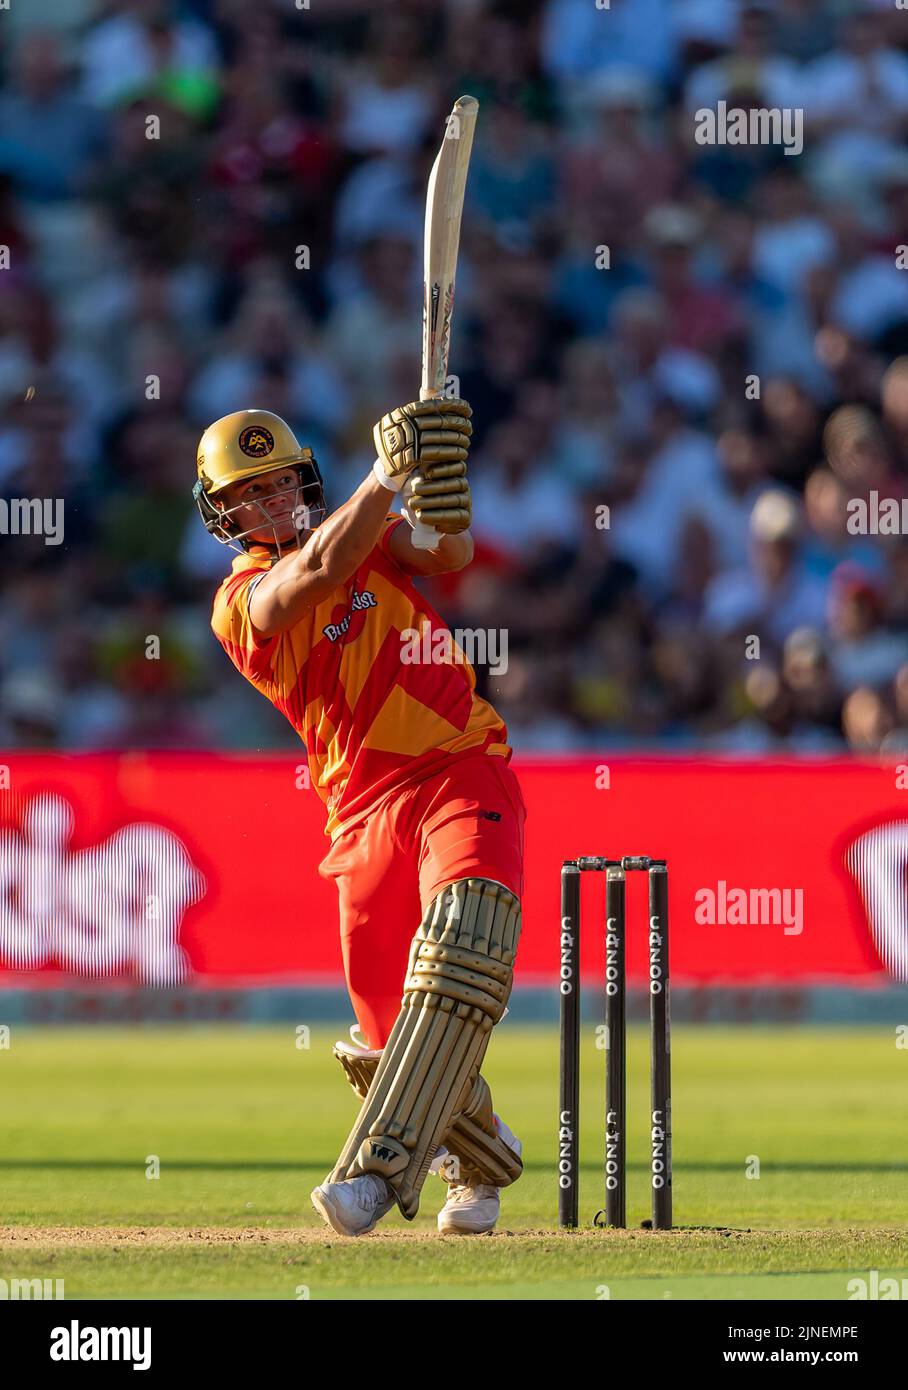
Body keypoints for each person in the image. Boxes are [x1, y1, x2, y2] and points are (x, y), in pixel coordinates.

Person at [193, 400, 525, 1236]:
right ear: (222, 516)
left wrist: (441, 491)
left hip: (458, 766)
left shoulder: (369, 534)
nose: (272, 505)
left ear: (305, 477)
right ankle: (478, 1159)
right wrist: (386, 474)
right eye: (249, 496)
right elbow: (305, 581)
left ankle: (375, 1177)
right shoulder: (239, 604)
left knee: (464, 936)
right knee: (386, 1040)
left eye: (280, 485)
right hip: (360, 812)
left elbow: (446, 550)